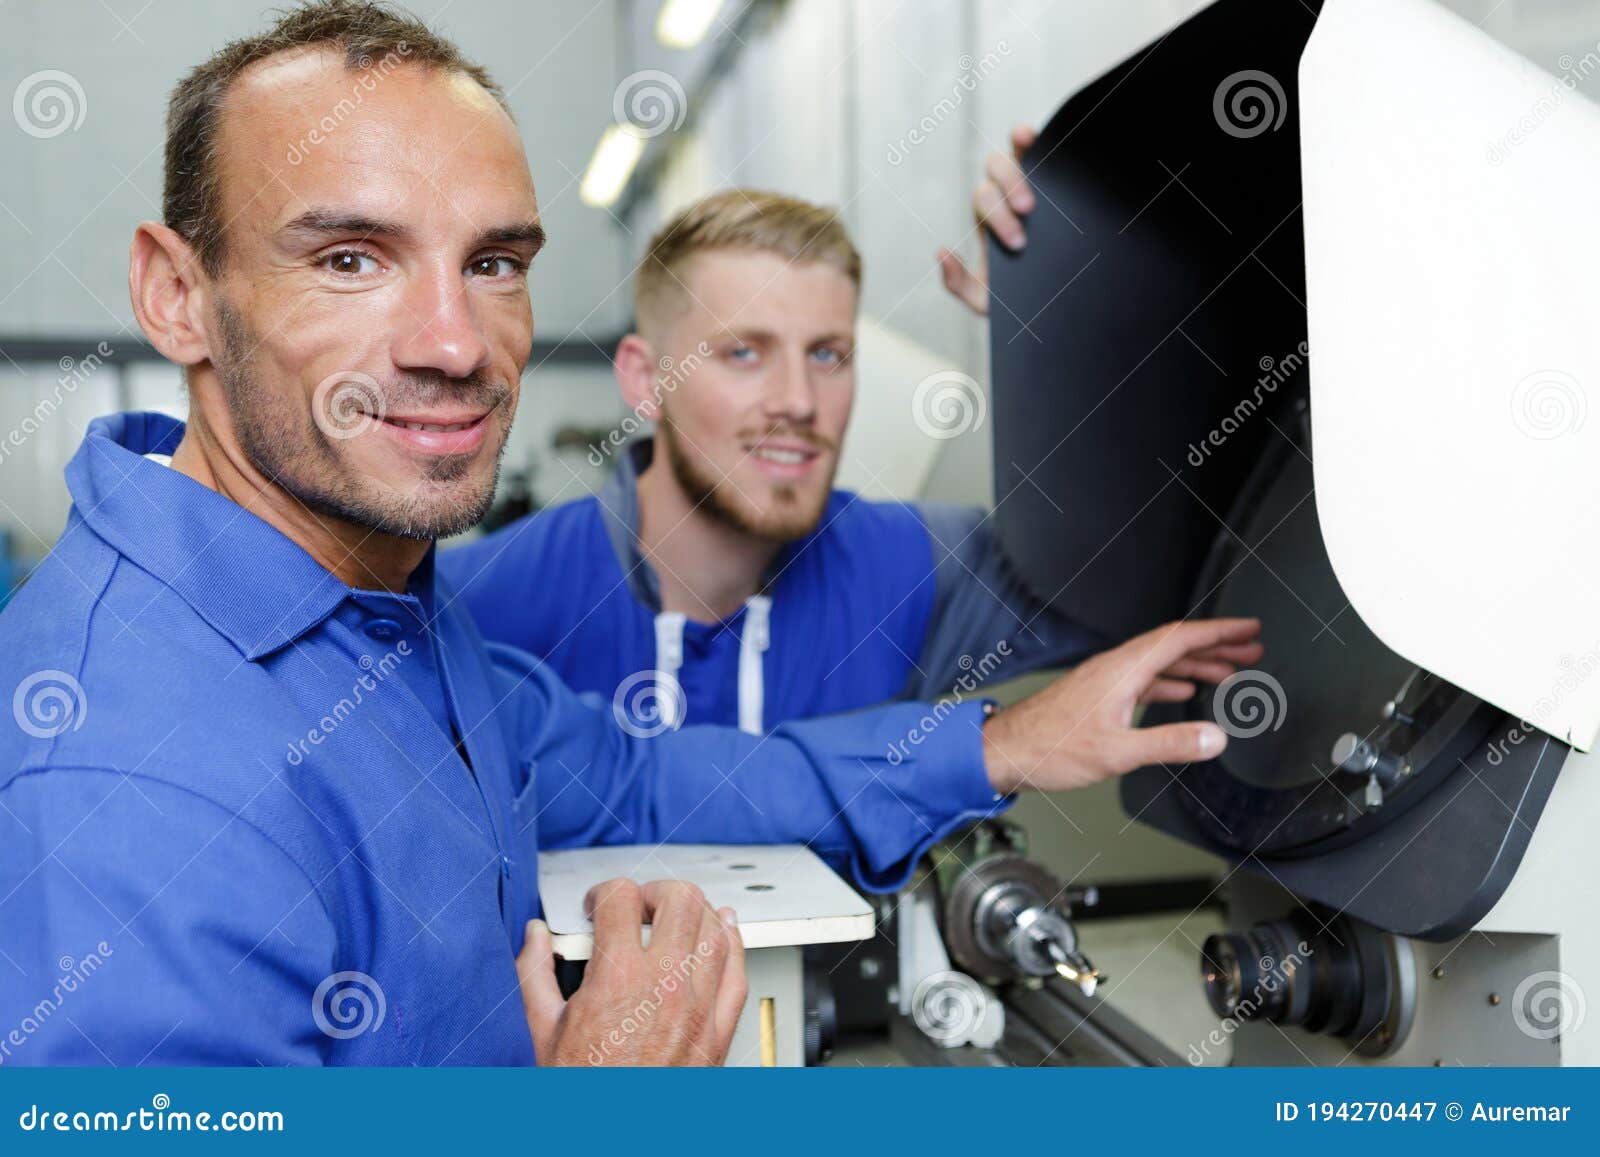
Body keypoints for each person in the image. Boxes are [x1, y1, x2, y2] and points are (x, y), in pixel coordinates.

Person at [0, 1, 1259, 1067]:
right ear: (176, 294)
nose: (452, 342)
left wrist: (1006, 739)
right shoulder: (125, 785)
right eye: (348, 258)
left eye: (494, 262)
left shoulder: (397, 622)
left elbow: (663, 779)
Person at [440, 189, 1102, 736]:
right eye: (743, 353)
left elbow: (1139, 576)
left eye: (827, 355)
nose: (799, 401)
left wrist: (1060, 325)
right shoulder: (478, 607)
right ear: (646, 381)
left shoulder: (914, 567)